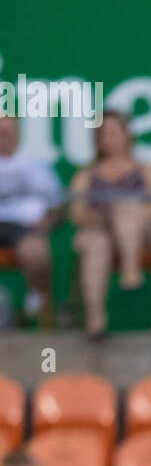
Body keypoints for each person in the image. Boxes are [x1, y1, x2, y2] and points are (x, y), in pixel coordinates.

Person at [68, 110, 151, 339]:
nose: (109, 139)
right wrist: (104, 218)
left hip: (142, 234)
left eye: (115, 132)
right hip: (100, 233)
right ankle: (96, 322)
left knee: (127, 208)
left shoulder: (146, 170)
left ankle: (131, 269)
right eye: (104, 134)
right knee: (96, 243)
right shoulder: (86, 174)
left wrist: (124, 210)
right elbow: (77, 213)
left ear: (127, 135)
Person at [0, 113, 61, 324]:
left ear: (17, 135)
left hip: (24, 226)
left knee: (36, 253)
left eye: (8, 132)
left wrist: (47, 223)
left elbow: (56, 206)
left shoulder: (36, 166)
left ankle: (36, 301)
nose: (3, 137)